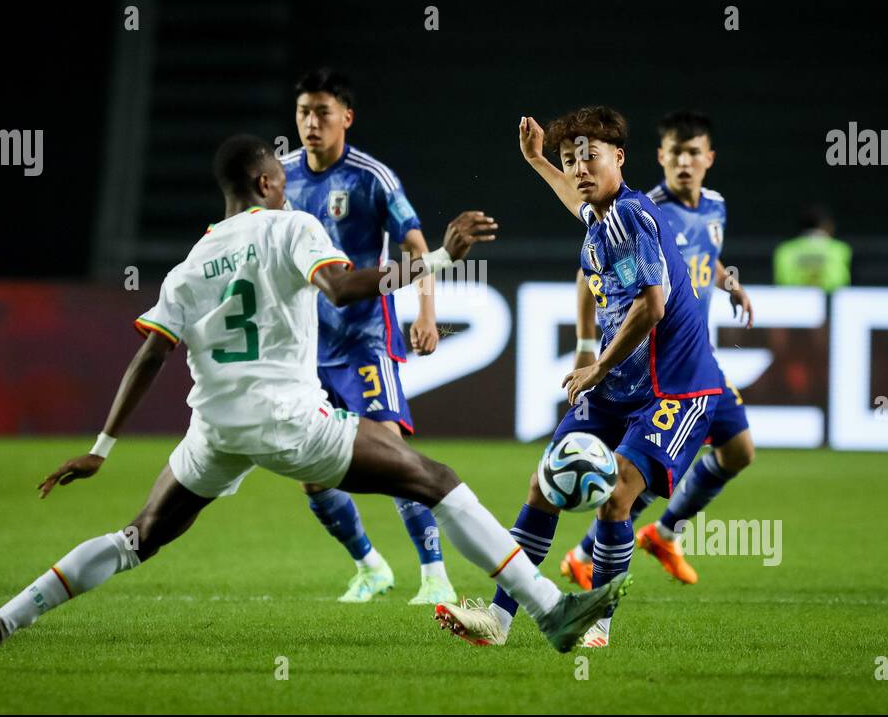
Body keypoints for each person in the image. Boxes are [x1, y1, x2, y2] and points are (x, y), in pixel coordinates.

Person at [0, 134, 628, 669]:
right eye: (281, 172)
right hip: (292, 421)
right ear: (271, 182)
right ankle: (551, 611)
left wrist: (100, 448)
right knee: (437, 482)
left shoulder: (189, 264)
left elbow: (151, 353)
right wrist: (441, 257)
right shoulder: (291, 226)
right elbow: (345, 289)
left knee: (135, 538)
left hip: (214, 431)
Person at [434, 108, 717, 649]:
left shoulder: (632, 217)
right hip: (616, 389)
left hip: (672, 389)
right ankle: (498, 620)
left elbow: (653, 307)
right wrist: (538, 160)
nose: (580, 169)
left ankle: (599, 625)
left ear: (619, 158)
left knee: (616, 497)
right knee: (544, 485)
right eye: (571, 160)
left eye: (590, 156)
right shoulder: (598, 215)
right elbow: (574, 198)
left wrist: (597, 365)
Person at [560, 111, 756, 600]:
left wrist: (729, 281)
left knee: (738, 451)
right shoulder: (645, 208)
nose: (684, 162)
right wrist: (588, 348)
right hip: (659, 367)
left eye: (694, 153)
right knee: (637, 469)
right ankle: (594, 555)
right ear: (660, 157)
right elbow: (590, 276)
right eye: (675, 153)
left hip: (694, 356)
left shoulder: (716, 207)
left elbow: (703, 260)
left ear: (709, 159)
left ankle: (662, 534)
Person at [280, 68, 452, 605]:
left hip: (364, 340)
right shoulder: (280, 178)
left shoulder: (370, 177)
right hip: (305, 345)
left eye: (323, 113)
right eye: (305, 112)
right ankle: (370, 566)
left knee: (391, 455)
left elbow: (417, 244)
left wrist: (426, 312)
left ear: (346, 119)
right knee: (310, 471)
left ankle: (434, 577)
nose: (312, 123)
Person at [773, 204, 852, 292]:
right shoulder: (839, 249)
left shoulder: (785, 250)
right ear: (827, 225)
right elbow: (840, 282)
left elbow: (782, 283)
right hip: (830, 302)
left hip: (794, 302)